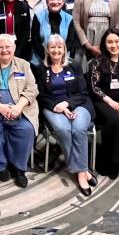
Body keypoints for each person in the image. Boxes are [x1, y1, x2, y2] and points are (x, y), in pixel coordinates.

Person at [34, 35, 95, 195]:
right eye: (52, 47)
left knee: (78, 128)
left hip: (79, 104)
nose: (56, 50)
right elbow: (41, 95)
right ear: (47, 49)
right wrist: (57, 106)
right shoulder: (41, 69)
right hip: (52, 106)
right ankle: (84, 171)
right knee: (63, 130)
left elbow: (82, 92)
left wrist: (67, 104)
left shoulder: (74, 65)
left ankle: (80, 174)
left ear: (64, 49)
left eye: (59, 47)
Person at [0, 34, 38, 187]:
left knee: (26, 128)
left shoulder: (24, 65)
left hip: (19, 105)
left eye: (8, 47)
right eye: (0, 47)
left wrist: (18, 107)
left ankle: (19, 168)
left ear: (14, 48)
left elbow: (32, 88)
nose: (4, 50)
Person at [88, 28, 119, 178]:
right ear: (104, 44)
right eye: (109, 42)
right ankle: (109, 162)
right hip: (103, 101)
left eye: (117, 41)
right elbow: (94, 87)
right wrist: (111, 102)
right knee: (114, 120)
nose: (113, 45)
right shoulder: (97, 62)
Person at [32, 0, 79, 66]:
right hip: (41, 60)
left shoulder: (69, 18)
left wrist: (59, 58)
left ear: (63, 2)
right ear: (47, 2)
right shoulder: (38, 16)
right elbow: (35, 41)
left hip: (63, 61)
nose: (55, 2)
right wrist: (47, 58)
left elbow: (70, 42)